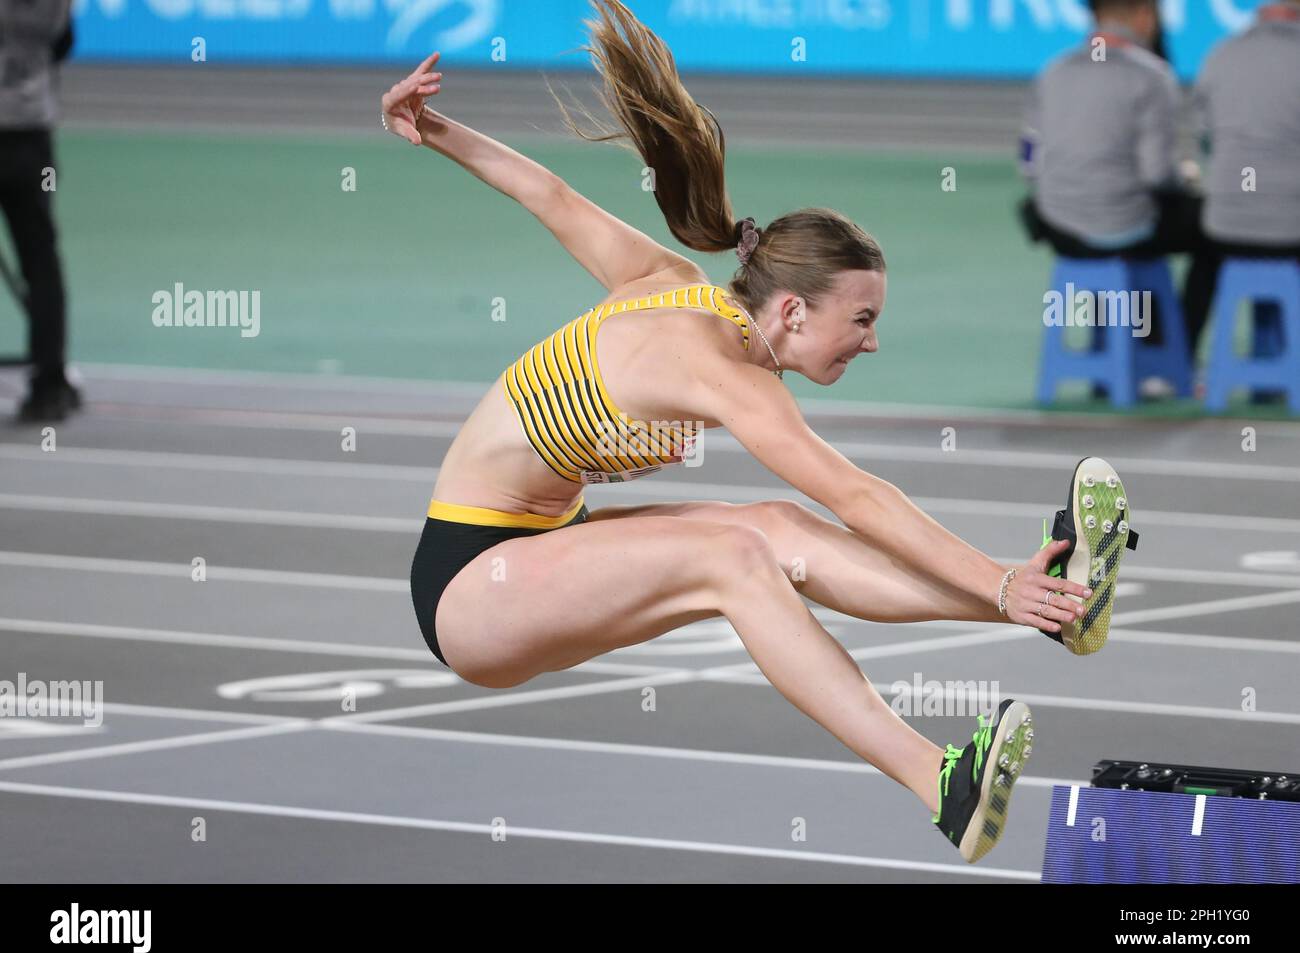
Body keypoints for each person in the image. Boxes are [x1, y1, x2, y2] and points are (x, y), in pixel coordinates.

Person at [388, 1, 1102, 864]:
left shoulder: (672, 278)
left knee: (774, 527)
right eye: (862, 319)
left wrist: (435, 129)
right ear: (793, 310)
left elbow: (549, 193)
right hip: (473, 584)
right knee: (735, 557)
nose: (872, 341)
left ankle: (1049, 606)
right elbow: (857, 495)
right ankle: (939, 779)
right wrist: (988, 579)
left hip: (537, 544)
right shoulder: (720, 371)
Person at [1019, 0, 1215, 369]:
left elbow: (1029, 163)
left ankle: (1110, 352)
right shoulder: (1153, 76)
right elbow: (1157, 175)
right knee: (1214, 229)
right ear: (1145, 16)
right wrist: (1185, 176)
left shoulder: (1052, 72)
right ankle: (1175, 357)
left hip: (1061, 226)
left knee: (1129, 217)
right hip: (1126, 224)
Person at [1187, 0, 1300, 360]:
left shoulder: (1219, 56)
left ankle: (1174, 362)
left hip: (1226, 226)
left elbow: (1206, 140)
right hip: (1291, 230)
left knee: (1203, 257)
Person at [0, 0, 80, 422]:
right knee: (41, 261)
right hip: (31, 140)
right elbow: (64, 43)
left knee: (41, 261)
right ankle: (50, 383)